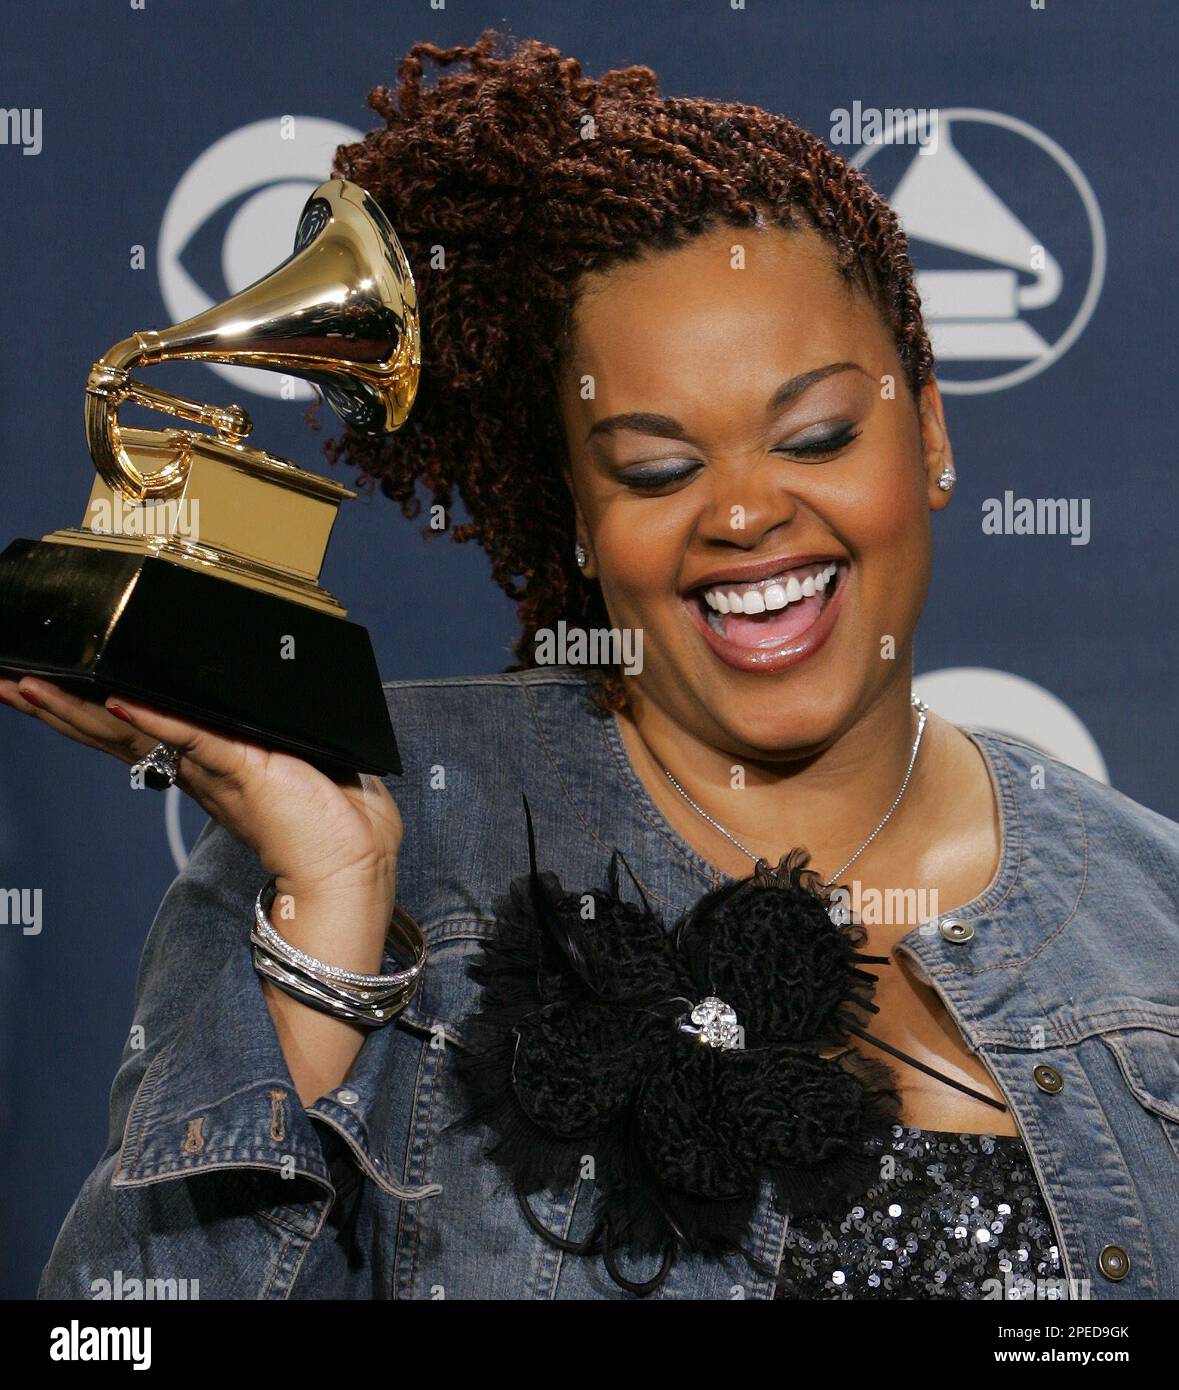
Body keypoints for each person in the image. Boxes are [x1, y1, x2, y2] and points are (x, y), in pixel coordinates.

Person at [9, 31, 1177, 1300]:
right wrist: (329, 943)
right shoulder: (384, 828)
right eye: (657, 469)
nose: (742, 514)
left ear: (930, 428)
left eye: (818, 434)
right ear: (576, 513)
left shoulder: (1149, 912)